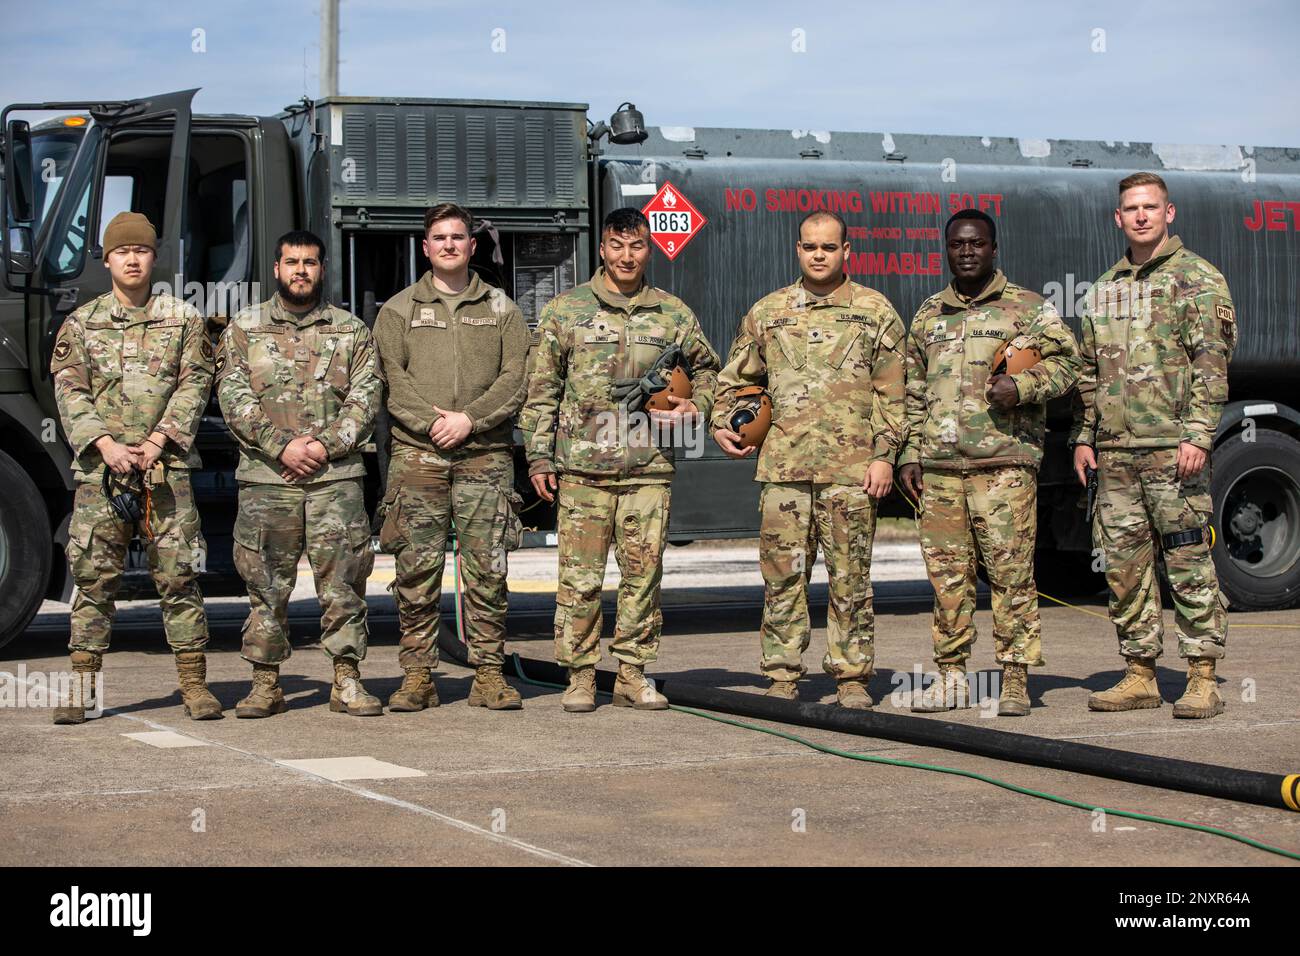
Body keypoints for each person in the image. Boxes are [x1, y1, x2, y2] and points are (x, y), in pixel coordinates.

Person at [519, 207, 719, 713]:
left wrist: (699, 404)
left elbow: (711, 372)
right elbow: (541, 391)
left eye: (636, 246)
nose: (626, 256)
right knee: (579, 581)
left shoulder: (673, 314)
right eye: (616, 245)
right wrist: (539, 459)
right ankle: (581, 676)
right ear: (602, 249)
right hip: (583, 471)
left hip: (648, 469)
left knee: (642, 578)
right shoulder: (566, 312)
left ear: (649, 249)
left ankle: (631, 673)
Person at [712, 210, 905, 708]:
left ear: (846, 251)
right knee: (783, 577)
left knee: (851, 580)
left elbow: (898, 394)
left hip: (851, 473)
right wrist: (722, 423)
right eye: (810, 247)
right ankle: (781, 674)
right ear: (797, 250)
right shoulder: (768, 312)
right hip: (785, 474)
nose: (819, 255)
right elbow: (735, 380)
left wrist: (884, 456)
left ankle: (852, 677)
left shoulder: (874, 310)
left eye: (829, 247)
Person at [898, 209, 1080, 716]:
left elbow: (1069, 363)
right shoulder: (929, 314)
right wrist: (910, 453)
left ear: (993, 248)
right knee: (948, 578)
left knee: (1010, 574)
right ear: (947, 250)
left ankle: (1015, 678)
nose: (967, 251)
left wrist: (1021, 386)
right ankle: (952, 675)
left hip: (1003, 465)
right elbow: (912, 391)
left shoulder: (1027, 308)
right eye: (958, 244)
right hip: (939, 469)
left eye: (976, 243)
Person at [1071, 172, 1236, 718]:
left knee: (1187, 559)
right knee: (1124, 566)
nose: (1140, 216)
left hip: (1173, 451)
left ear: (1170, 213)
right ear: (1118, 219)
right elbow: (1089, 375)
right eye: (1130, 209)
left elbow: (1211, 365)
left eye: (1150, 207)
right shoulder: (1103, 289)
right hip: (1116, 454)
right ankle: (1140, 673)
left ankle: (1202, 675)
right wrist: (1084, 439)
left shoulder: (1198, 279)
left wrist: (1199, 435)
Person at [49, 211, 218, 723]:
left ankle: (194, 687)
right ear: (106, 260)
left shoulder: (183, 319)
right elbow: (69, 389)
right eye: (121, 251)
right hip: (102, 472)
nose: (131, 258)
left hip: (165, 470)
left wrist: (158, 440)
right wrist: (105, 443)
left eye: (140, 250)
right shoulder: (82, 322)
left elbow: (196, 383)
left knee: (180, 577)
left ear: (153, 258)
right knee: (94, 580)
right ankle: (82, 689)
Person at [217, 230, 383, 717]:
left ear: (322, 268)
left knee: (344, 584)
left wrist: (322, 446)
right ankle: (265, 684)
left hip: (335, 481)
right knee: (265, 586)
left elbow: (366, 398)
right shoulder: (245, 329)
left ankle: (347, 681)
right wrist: (282, 447)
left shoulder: (352, 331)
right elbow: (232, 396)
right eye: (292, 261)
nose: (301, 271)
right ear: (276, 268)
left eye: (310, 262)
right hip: (269, 479)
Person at [373, 203, 529, 711]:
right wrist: (432, 423)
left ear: (472, 246)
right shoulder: (397, 310)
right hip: (419, 457)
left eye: (457, 237)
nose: (448, 245)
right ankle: (418, 675)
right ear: (425, 247)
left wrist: (470, 420)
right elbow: (391, 381)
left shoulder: (503, 309)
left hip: (485, 456)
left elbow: (516, 379)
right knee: (416, 571)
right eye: (438, 237)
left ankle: (488, 674)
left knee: (488, 568)